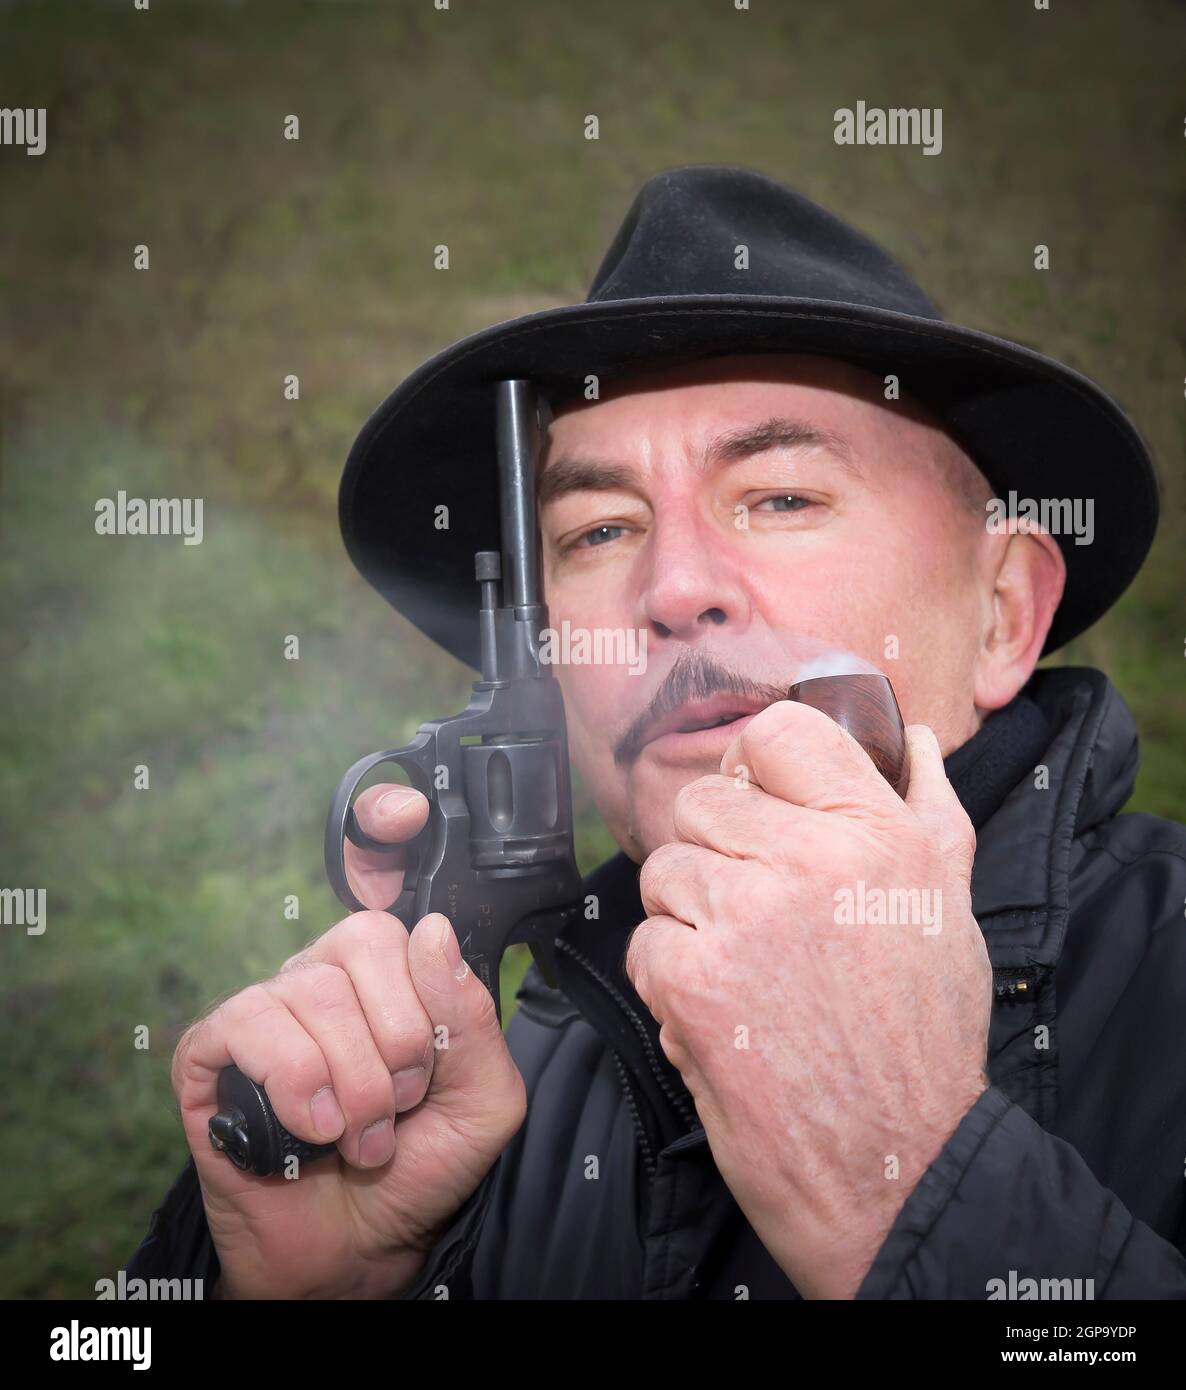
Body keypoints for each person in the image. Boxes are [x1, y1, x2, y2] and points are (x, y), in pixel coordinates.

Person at [126, 164, 1186, 1299]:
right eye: (597, 530)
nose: (674, 588)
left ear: (1003, 614)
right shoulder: (471, 1108)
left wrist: (913, 1185)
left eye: (780, 497)